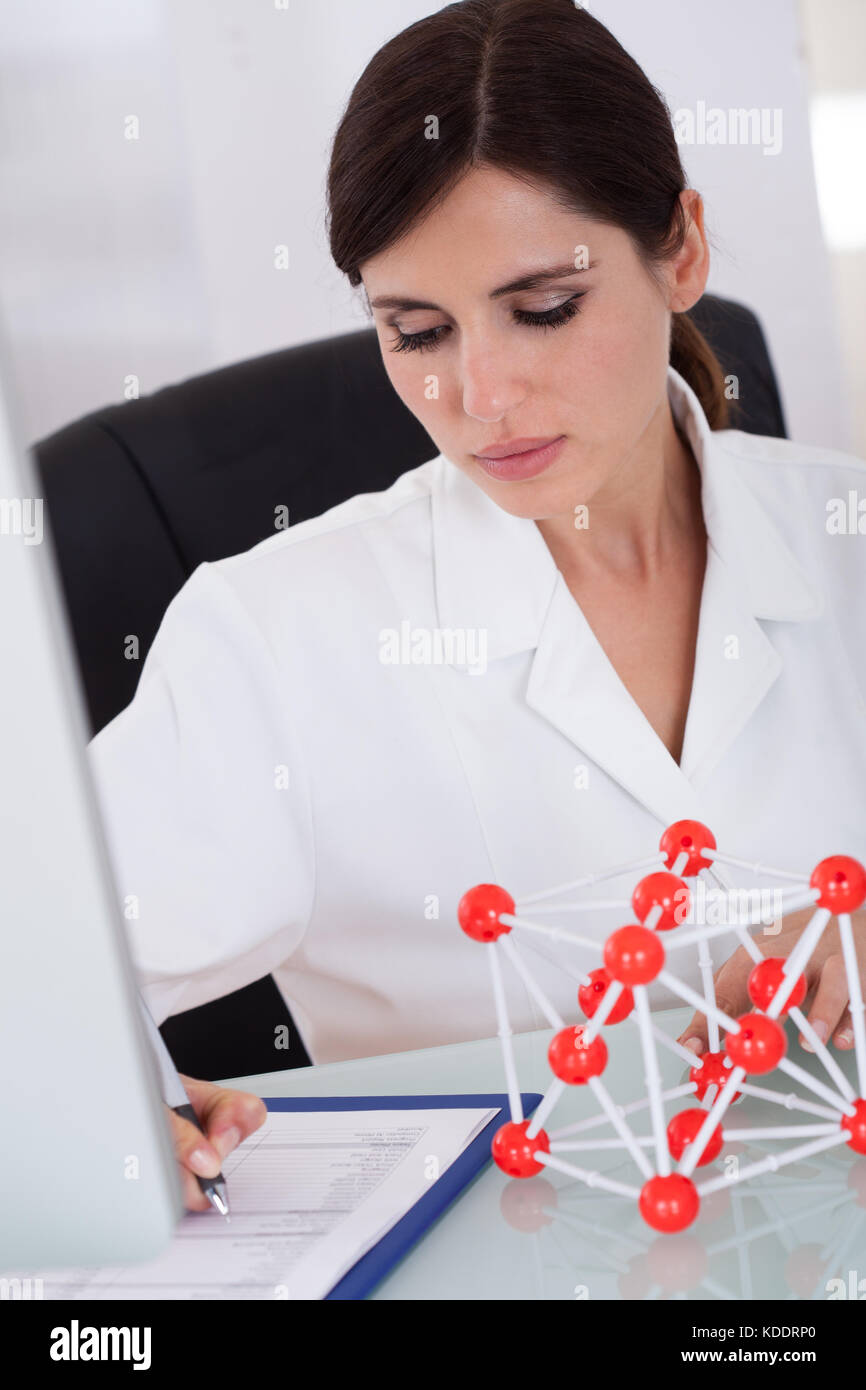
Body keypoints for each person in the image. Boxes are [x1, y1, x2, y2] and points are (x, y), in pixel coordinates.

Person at [86, 0, 866, 1209]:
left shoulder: (845, 544)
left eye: (542, 308)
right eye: (416, 332)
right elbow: (36, 978)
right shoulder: (278, 635)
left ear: (683, 250)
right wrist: (113, 1099)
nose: (481, 394)